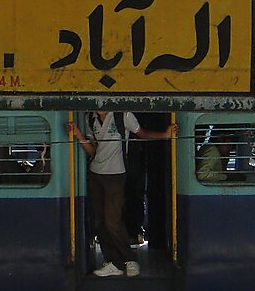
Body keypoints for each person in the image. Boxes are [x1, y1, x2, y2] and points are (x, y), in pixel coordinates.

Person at [66, 111, 176, 278]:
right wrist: (78, 134)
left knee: (112, 221)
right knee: (100, 222)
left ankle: (130, 259)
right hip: (96, 174)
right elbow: (93, 151)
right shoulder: (90, 118)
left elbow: (142, 133)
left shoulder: (123, 116)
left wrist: (164, 135)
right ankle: (112, 262)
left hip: (116, 175)